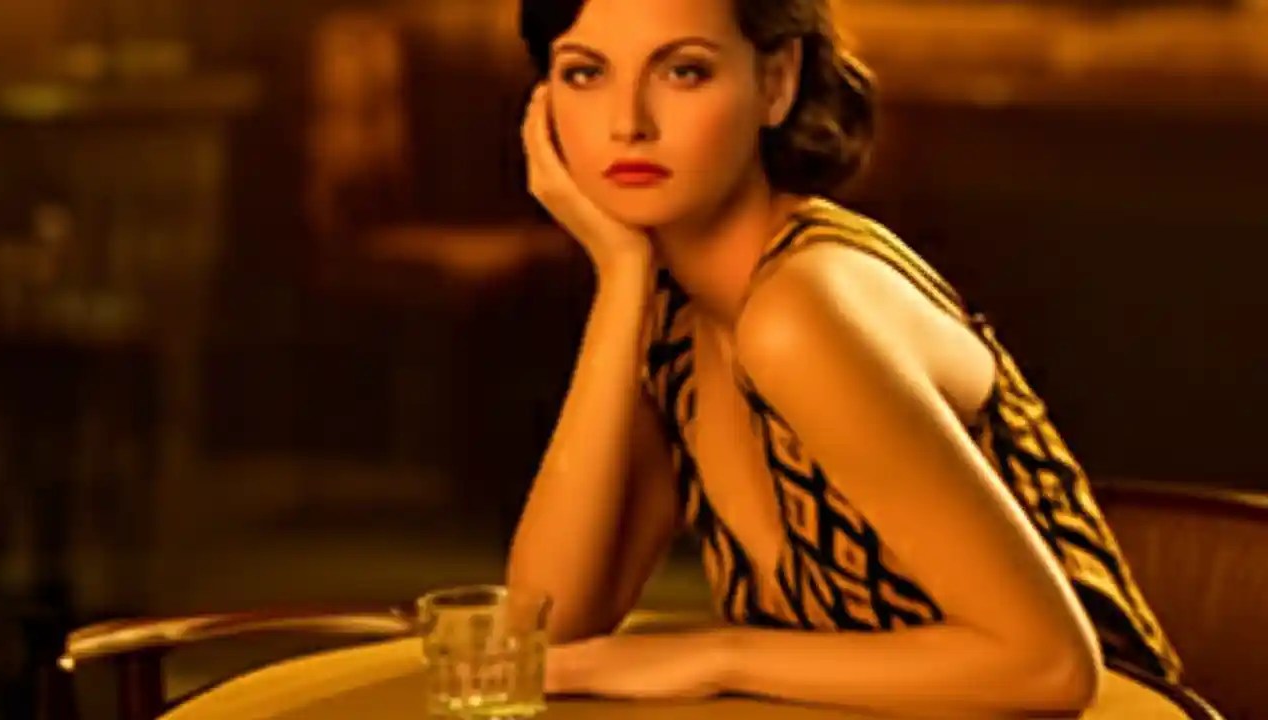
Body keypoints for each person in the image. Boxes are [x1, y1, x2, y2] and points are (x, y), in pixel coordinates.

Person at [505, 0, 1183, 716]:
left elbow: (1050, 669)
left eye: (683, 71)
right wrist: (620, 278)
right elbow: (536, 638)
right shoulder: (675, 317)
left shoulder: (801, 308)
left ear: (776, 82)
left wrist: (717, 653)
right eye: (585, 74)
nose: (627, 124)